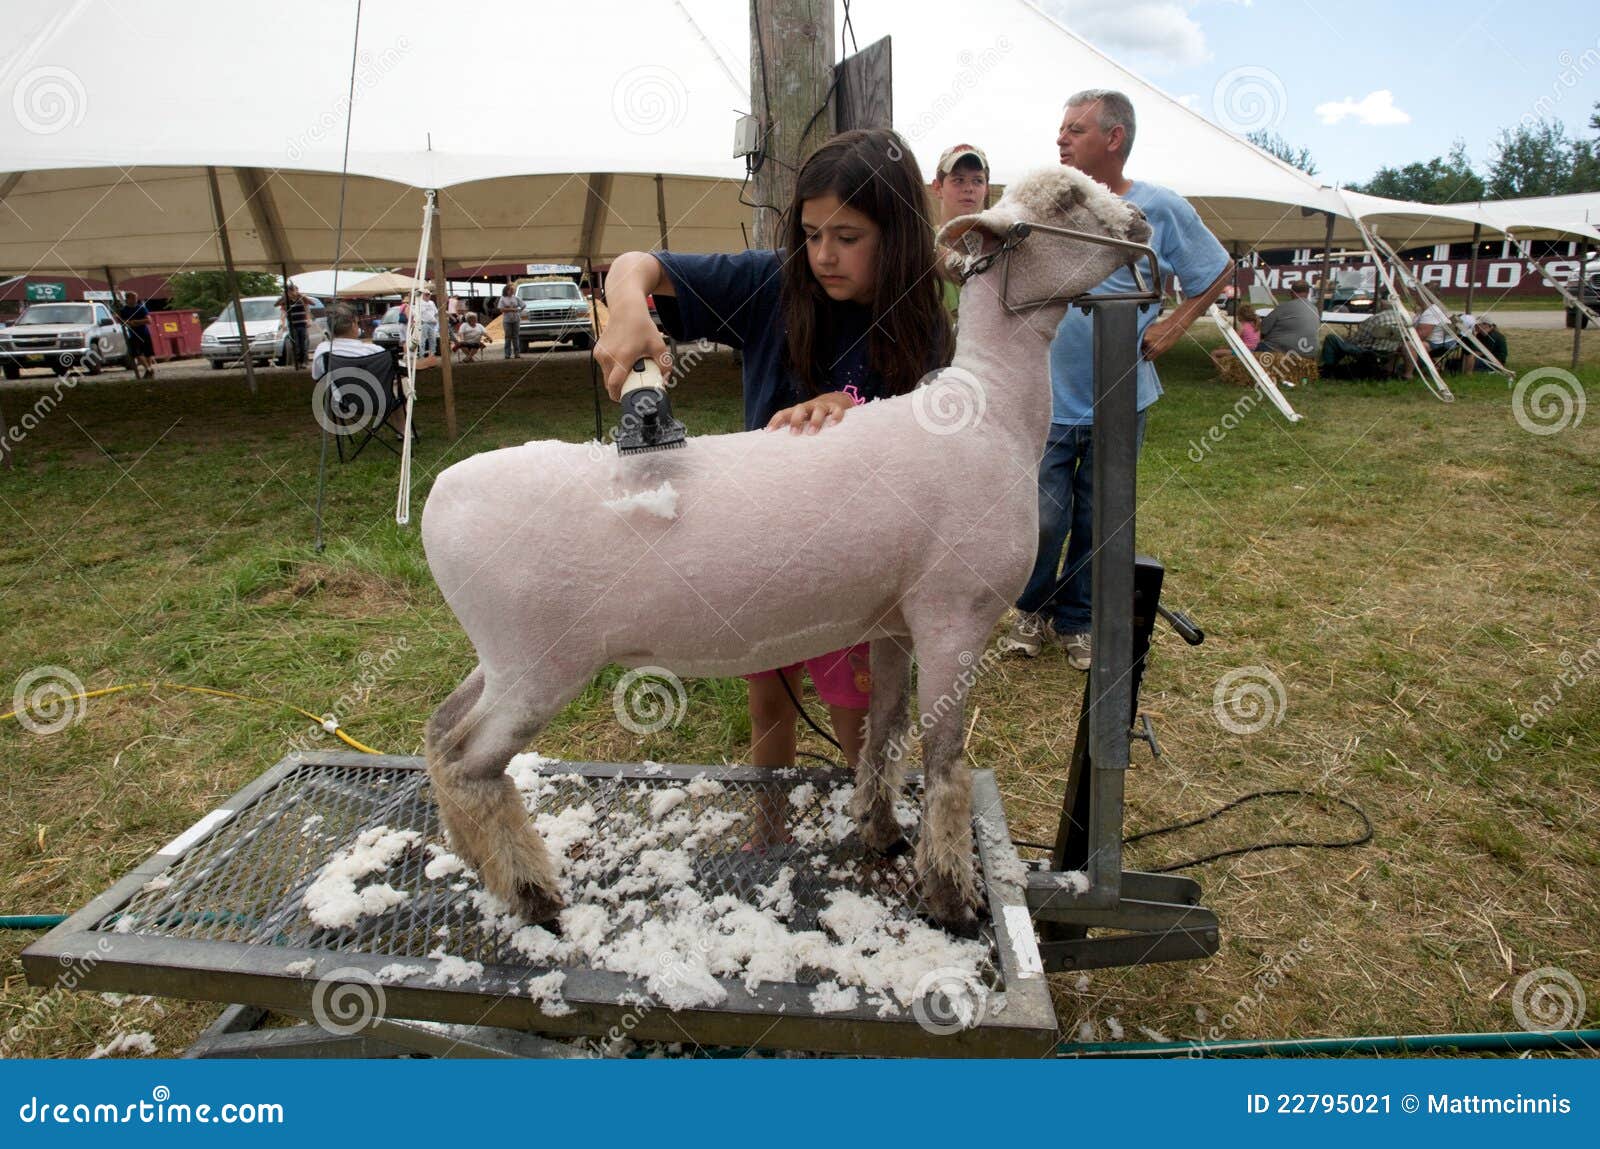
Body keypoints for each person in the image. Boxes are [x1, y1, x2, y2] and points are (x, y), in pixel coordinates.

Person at [595, 128, 953, 797]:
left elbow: (934, 432)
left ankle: (871, 823)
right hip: (766, 547)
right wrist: (626, 311)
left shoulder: (923, 319)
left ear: (898, 234)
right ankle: (769, 824)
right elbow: (634, 263)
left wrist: (853, 408)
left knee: (860, 713)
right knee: (769, 699)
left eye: (848, 238)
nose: (823, 255)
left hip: (860, 559)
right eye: (812, 233)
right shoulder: (771, 283)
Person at [1001, 89, 1231, 670]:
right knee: (1043, 514)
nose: (1060, 139)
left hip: (1121, 392)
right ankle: (1031, 607)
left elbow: (1219, 268)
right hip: (1048, 394)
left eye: (1075, 129)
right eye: (1060, 129)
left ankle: (1077, 619)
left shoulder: (1159, 208)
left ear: (1114, 138)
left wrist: (1176, 323)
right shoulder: (1049, 206)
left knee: (1098, 515)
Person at [929, 143, 990, 319]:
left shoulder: (1002, 250)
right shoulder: (917, 248)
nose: (969, 188)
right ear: (937, 188)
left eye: (978, 180)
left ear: (986, 189)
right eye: (958, 180)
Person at [1319, 302, 1407, 379]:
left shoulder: (1375, 319)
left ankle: (1328, 368)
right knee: (1342, 344)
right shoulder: (1403, 319)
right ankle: (1334, 367)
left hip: (1368, 351)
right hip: (1390, 351)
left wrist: (1347, 340)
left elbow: (1357, 339)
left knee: (1331, 339)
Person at [1256, 280, 1320, 357]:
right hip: (1309, 352)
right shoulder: (1315, 309)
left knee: (1258, 347)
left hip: (1281, 351)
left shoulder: (1283, 307)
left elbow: (1263, 329)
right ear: (1308, 292)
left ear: (1291, 292)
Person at [1209, 302, 1260, 373]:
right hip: (1252, 350)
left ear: (1241, 316)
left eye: (1237, 314)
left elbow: (1233, 341)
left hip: (1242, 352)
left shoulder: (1242, 327)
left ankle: (1222, 371)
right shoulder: (1255, 325)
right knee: (1222, 349)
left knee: (1213, 353)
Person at [118, 290, 156, 379]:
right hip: (133, 334)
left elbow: (149, 320)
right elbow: (121, 321)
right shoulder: (124, 310)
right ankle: (148, 369)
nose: (135, 300)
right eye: (133, 298)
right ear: (127, 299)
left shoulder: (141, 308)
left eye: (136, 298)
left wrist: (136, 322)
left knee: (148, 353)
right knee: (137, 354)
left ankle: (149, 371)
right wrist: (125, 322)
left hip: (144, 333)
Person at [277, 283, 310, 369]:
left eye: (293, 290)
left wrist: (308, 320)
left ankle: (304, 361)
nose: (292, 293)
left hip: (302, 324)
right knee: (296, 344)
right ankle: (298, 362)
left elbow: (309, 305)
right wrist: (285, 297)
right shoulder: (286, 302)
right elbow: (278, 306)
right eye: (290, 291)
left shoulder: (302, 299)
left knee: (304, 344)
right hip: (293, 325)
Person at [497, 284, 521, 358]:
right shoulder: (503, 299)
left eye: (512, 290)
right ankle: (507, 354)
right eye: (510, 290)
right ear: (506, 290)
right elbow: (501, 309)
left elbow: (523, 305)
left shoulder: (516, 298)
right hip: (507, 320)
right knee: (508, 337)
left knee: (515, 336)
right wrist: (512, 309)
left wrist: (519, 311)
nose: (512, 291)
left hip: (516, 319)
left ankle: (517, 353)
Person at [418, 289, 440, 356]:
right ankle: (422, 355)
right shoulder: (419, 302)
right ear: (422, 295)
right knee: (422, 341)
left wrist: (436, 321)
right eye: (426, 294)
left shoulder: (432, 302)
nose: (428, 296)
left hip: (432, 324)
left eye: (429, 294)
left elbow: (436, 313)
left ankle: (432, 355)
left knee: (433, 340)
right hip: (424, 323)